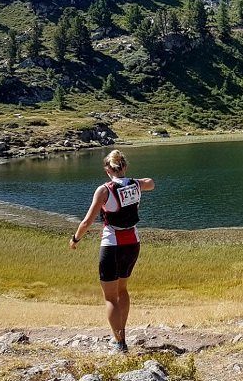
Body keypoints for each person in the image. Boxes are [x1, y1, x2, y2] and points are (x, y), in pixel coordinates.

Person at [70, 149, 155, 354]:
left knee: (110, 297)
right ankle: (121, 336)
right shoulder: (136, 184)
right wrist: (133, 180)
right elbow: (151, 182)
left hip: (112, 244)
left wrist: (75, 239)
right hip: (133, 242)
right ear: (124, 166)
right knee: (122, 290)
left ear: (107, 169)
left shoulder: (104, 190)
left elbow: (87, 221)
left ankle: (119, 343)